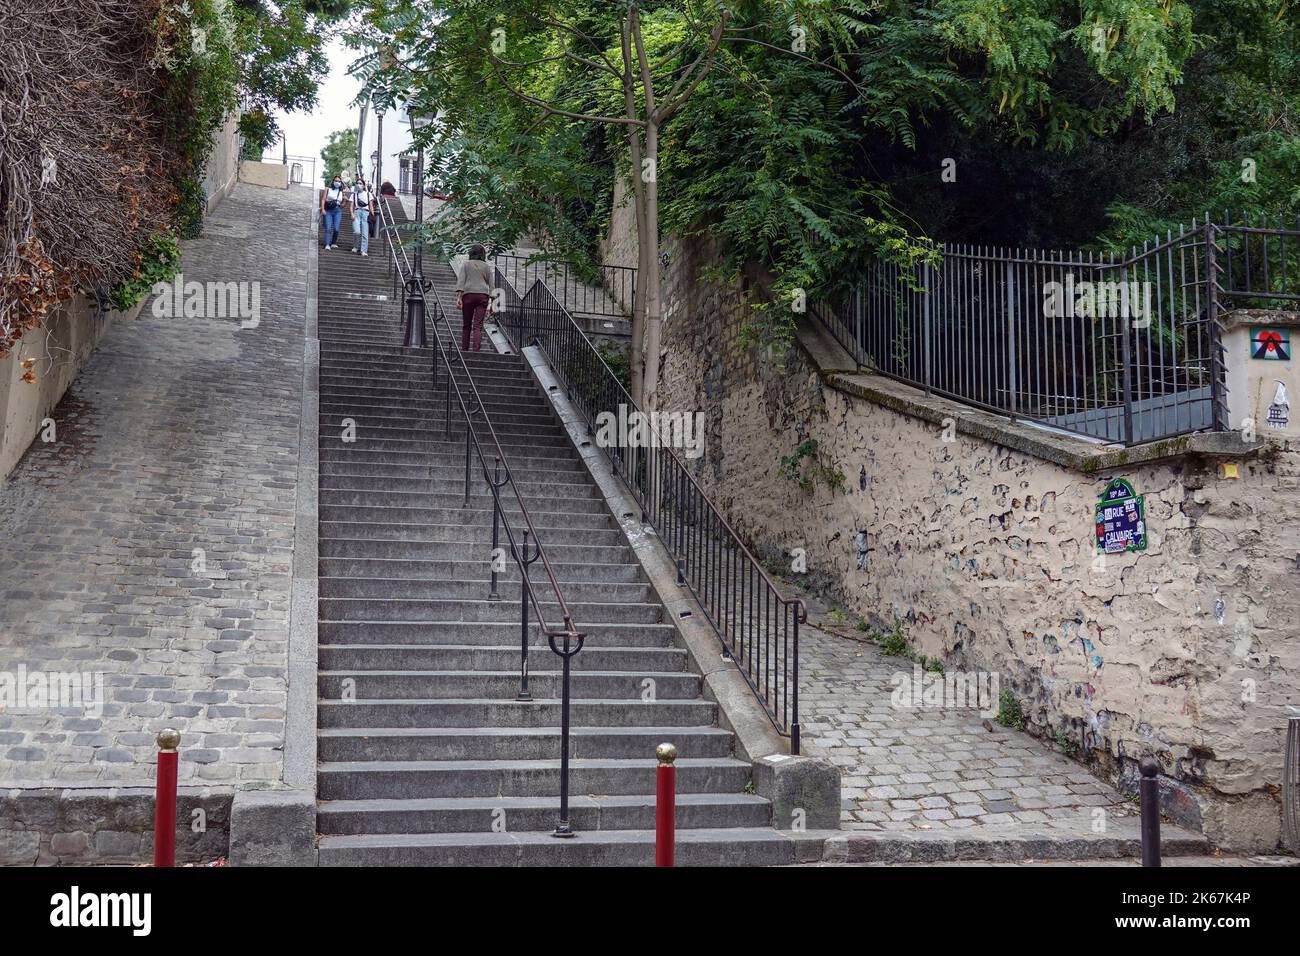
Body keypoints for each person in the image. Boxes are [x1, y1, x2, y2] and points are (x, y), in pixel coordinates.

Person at [455, 244, 493, 351]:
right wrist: (493, 302)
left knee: (466, 325)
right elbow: (492, 284)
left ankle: (465, 349)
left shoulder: (466, 264)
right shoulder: (486, 266)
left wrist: (458, 298)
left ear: (471, 253)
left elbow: (461, 281)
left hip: (468, 295)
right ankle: (476, 350)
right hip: (483, 296)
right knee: (478, 326)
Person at [350, 175, 374, 256]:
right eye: (357, 183)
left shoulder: (368, 194)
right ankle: (356, 246)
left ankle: (363, 250)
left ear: (363, 185)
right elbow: (351, 206)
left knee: (365, 233)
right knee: (357, 231)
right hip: (357, 212)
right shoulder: (353, 195)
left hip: (366, 213)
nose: (358, 185)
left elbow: (371, 206)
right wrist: (352, 214)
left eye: (360, 183)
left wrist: (372, 215)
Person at [321, 174, 346, 249]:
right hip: (328, 210)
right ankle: (327, 244)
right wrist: (323, 209)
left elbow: (342, 205)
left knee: (336, 228)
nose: (337, 182)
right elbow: (323, 199)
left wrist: (345, 200)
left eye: (339, 181)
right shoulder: (328, 189)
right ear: (333, 181)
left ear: (341, 182)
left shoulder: (342, 192)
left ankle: (333, 242)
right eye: (336, 181)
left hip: (337, 210)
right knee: (328, 228)